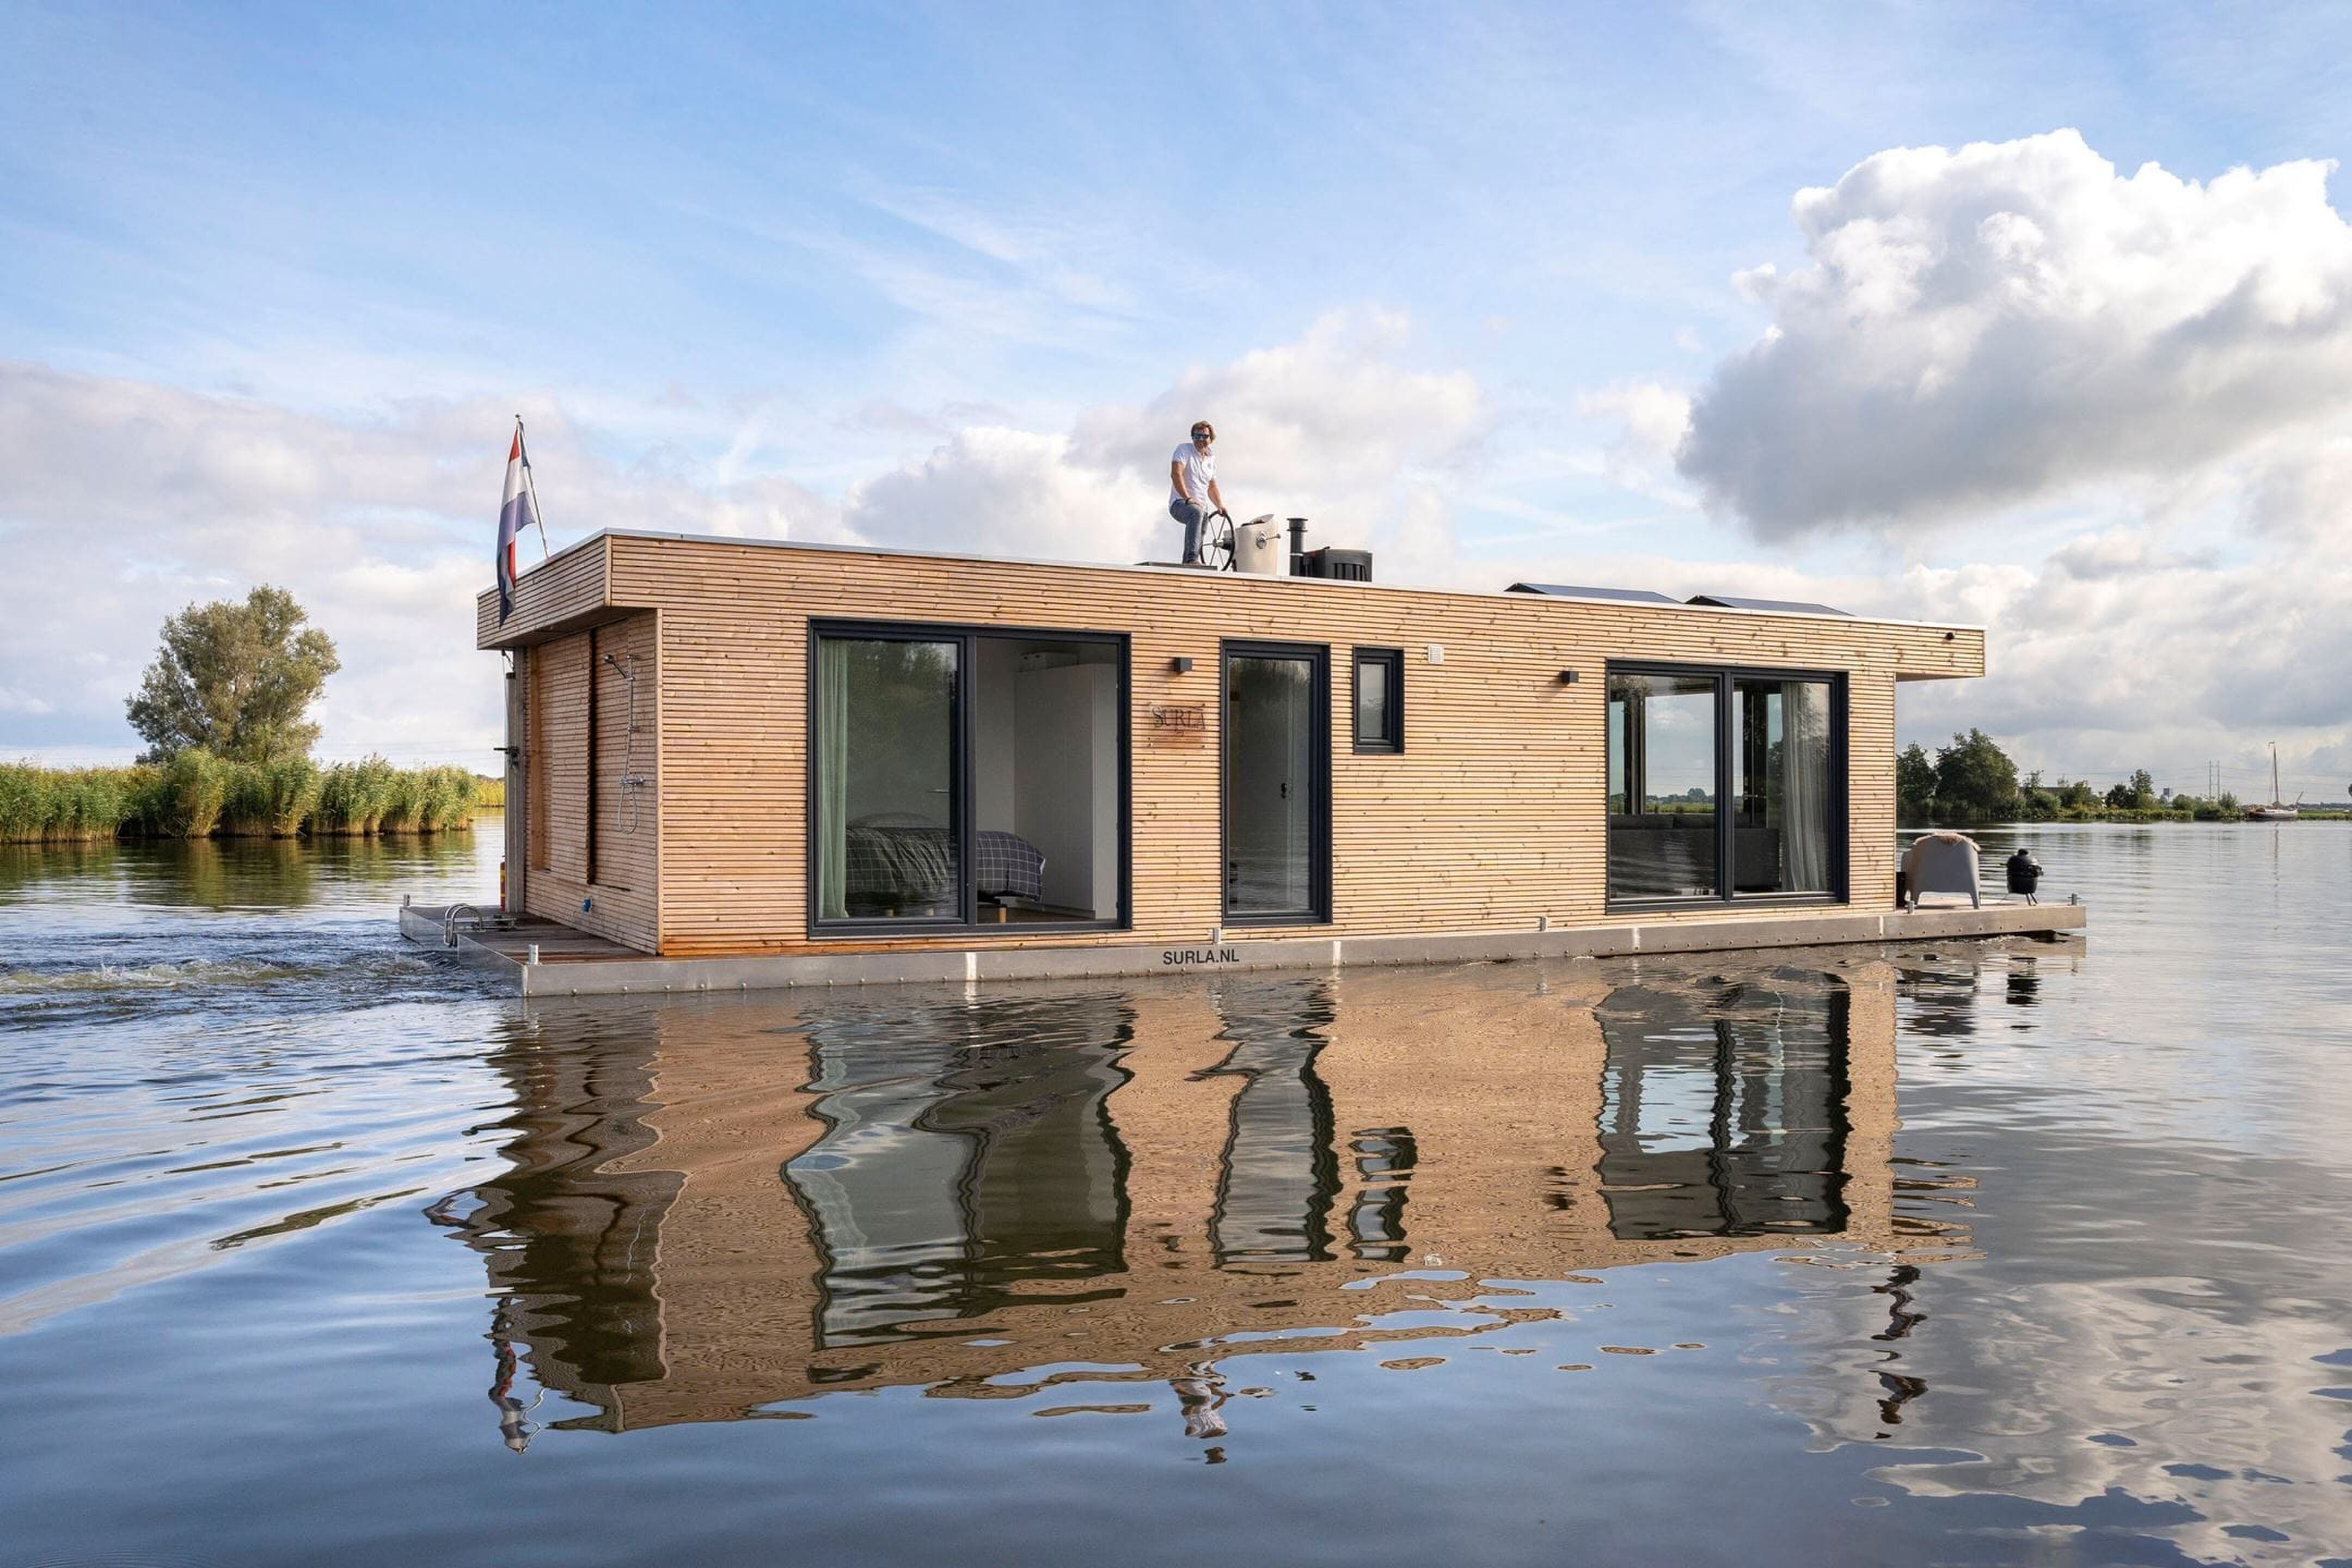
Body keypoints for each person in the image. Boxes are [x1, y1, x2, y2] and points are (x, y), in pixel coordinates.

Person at [1169, 420, 1227, 565]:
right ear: (1192, 437)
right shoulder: (1183, 450)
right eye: (1197, 437)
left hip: (1202, 508)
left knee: (1201, 522)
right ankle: (1192, 559)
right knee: (1196, 513)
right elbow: (1176, 475)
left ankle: (1188, 566)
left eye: (1204, 436)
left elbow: (1212, 486)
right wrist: (1188, 499)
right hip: (1180, 503)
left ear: (1211, 438)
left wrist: (1220, 506)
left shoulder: (1211, 459)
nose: (1201, 440)